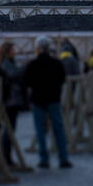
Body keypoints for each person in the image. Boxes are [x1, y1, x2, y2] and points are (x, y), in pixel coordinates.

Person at [24, 36, 72, 170]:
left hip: (38, 99)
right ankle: (63, 158)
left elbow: (27, 81)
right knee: (58, 129)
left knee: (40, 130)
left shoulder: (32, 64)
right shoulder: (56, 63)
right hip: (54, 99)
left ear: (38, 48)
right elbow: (62, 79)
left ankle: (44, 159)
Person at [0, 41, 26, 167]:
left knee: (10, 128)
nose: (15, 52)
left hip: (11, 99)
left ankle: (6, 156)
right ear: (8, 52)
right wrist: (24, 68)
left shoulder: (5, 63)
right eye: (13, 49)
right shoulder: (7, 64)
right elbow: (14, 74)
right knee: (9, 129)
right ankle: (6, 157)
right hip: (10, 100)